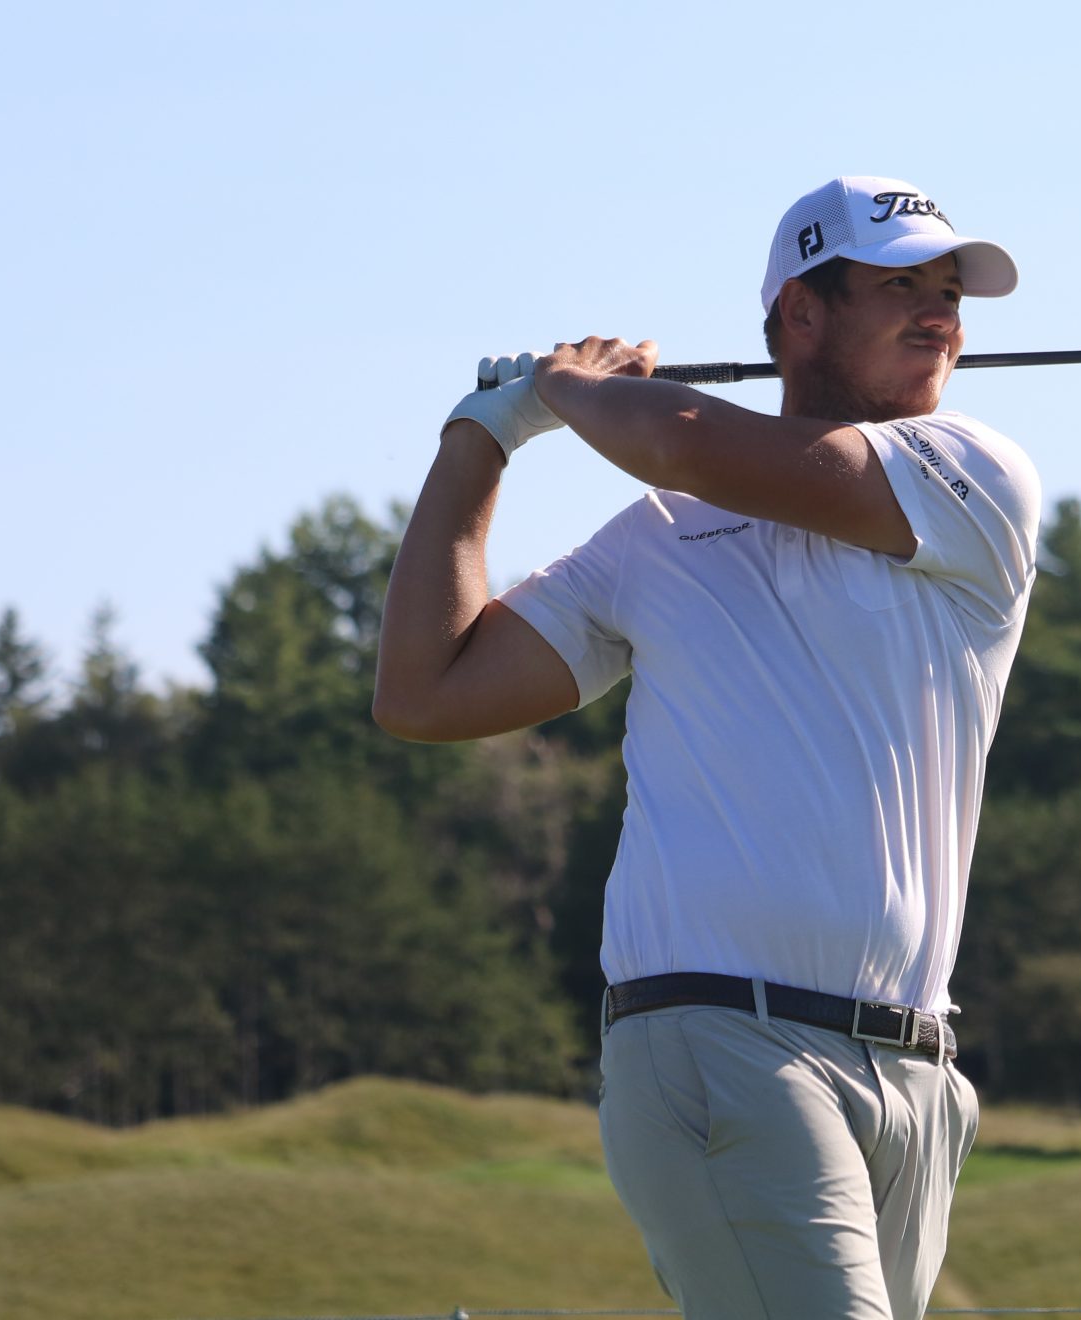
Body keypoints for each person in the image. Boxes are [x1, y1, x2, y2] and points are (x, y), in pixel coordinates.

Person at [372, 176, 1041, 1319]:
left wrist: (570, 388)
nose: (942, 313)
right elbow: (426, 692)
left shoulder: (968, 473)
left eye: (951, 293)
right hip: (723, 1040)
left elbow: (679, 438)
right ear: (801, 313)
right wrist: (481, 438)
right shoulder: (655, 541)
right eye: (903, 287)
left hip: (915, 1071)